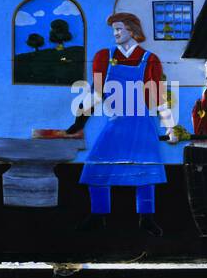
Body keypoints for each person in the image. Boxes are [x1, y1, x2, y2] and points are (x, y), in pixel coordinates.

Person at [70, 12, 177, 236]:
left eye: (119, 29)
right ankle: (98, 216)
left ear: (132, 31)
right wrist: (79, 122)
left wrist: (170, 126)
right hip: (116, 122)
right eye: (114, 30)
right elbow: (96, 94)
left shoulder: (150, 60)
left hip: (141, 123)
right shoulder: (103, 57)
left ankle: (146, 218)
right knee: (96, 165)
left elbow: (158, 98)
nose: (115, 34)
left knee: (145, 169)